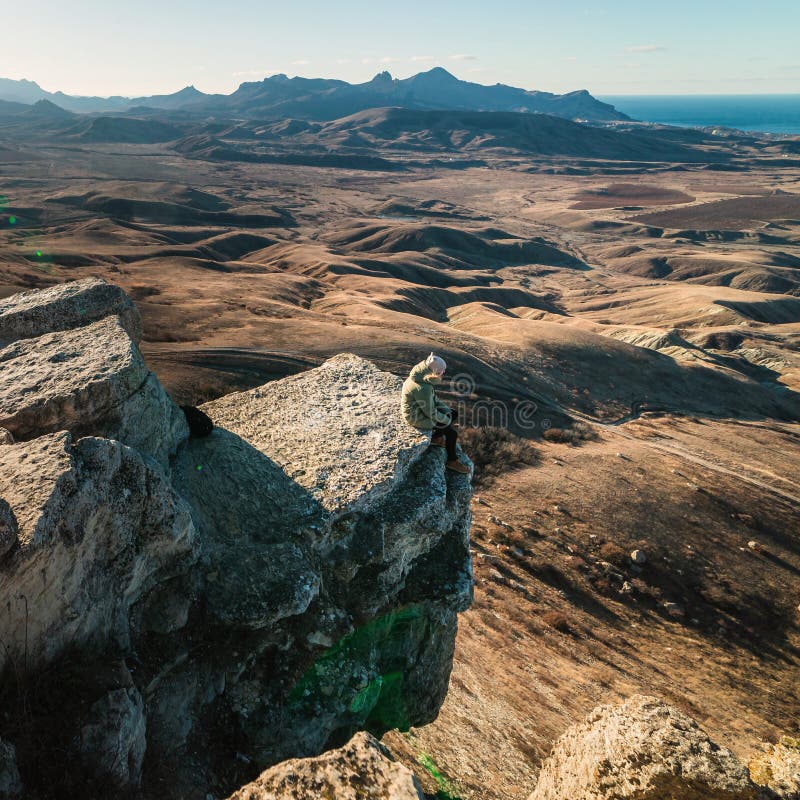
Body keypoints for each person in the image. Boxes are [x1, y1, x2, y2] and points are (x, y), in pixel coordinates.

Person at [401, 353, 470, 474]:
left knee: (453, 413)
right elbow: (431, 413)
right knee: (452, 434)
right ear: (435, 371)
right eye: (442, 371)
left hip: (421, 410)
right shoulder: (422, 387)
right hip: (416, 416)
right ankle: (452, 461)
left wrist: (446, 410)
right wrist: (446, 421)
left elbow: (434, 400)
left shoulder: (421, 377)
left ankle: (437, 437)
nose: (443, 373)